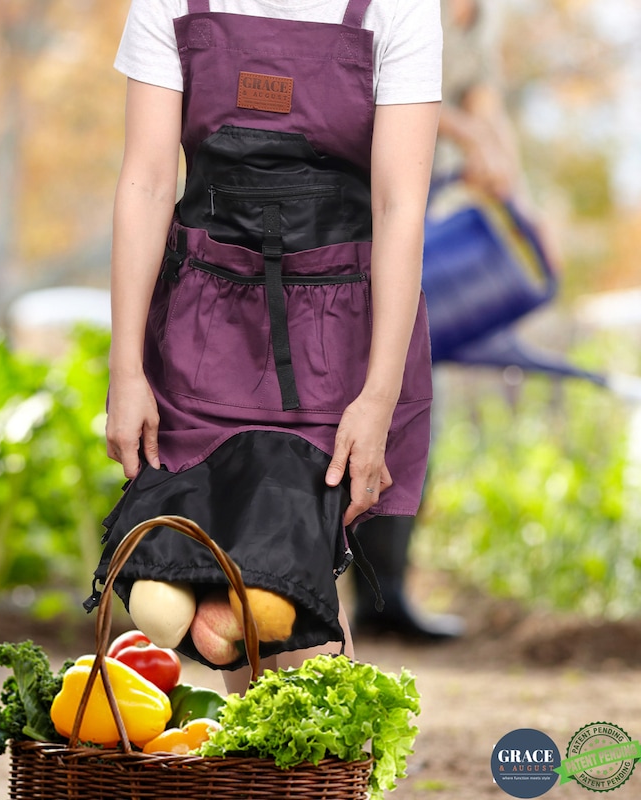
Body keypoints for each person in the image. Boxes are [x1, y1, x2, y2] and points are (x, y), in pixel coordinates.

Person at [98, 0, 442, 692]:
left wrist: (379, 397)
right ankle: (279, 774)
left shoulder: (398, 8)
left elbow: (399, 207)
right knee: (225, 592)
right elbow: (147, 181)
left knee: (292, 587)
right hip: (202, 322)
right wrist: (126, 367)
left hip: (337, 328)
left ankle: (323, 776)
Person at [351, 0, 534, 641]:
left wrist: (520, 202)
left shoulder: (477, 20)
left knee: (416, 399)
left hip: (416, 215)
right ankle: (302, 584)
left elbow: (487, 111)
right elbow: (370, 85)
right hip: (355, 200)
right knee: (346, 389)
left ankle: (384, 596)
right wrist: (465, 135)